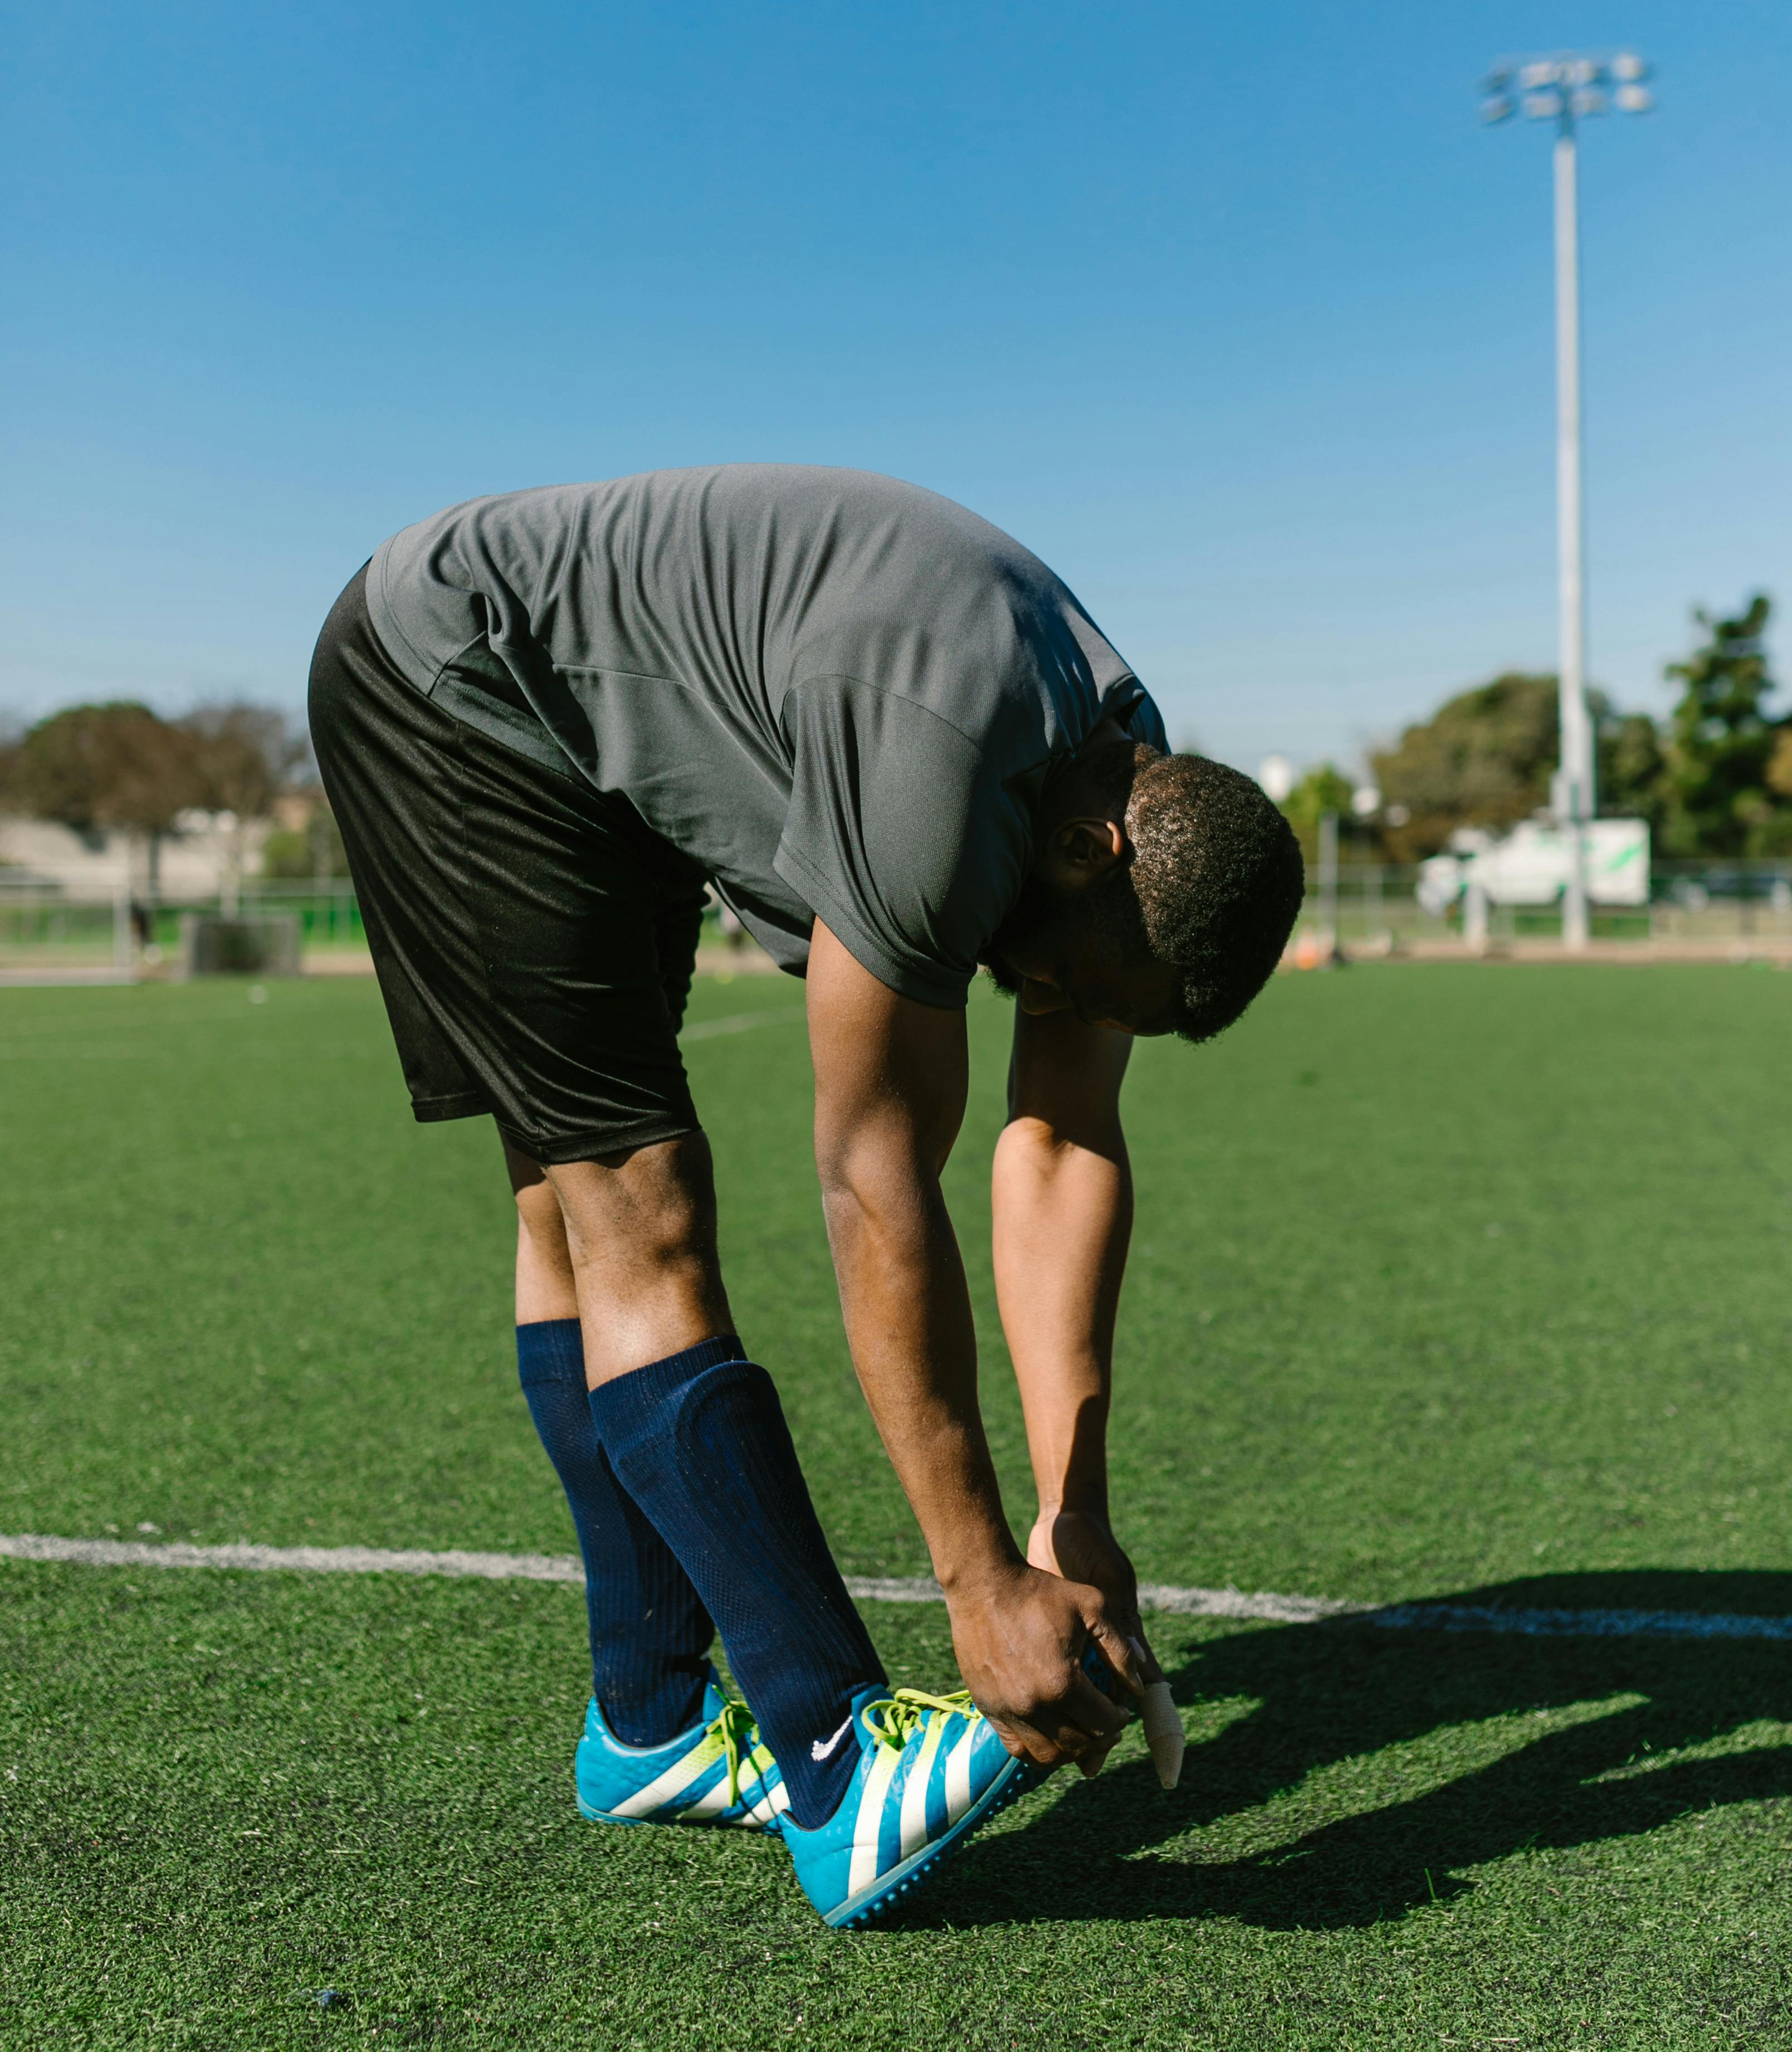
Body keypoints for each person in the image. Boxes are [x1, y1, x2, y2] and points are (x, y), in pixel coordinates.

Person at [309, 462, 1301, 1927]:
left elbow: (1057, 1137)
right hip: (456, 674)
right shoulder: (956, 764)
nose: (1037, 998)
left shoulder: (1129, 796)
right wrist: (973, 1580)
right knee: (629, 1201)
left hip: (602, 727)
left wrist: (1066, 1516)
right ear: (1096, 853)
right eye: (1066, 979)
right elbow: (869, 1168)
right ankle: (836, 1756)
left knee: (575, 1208)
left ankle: (645, 1724)